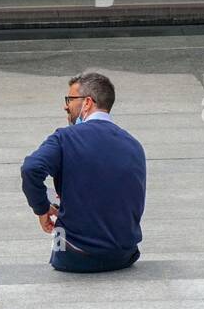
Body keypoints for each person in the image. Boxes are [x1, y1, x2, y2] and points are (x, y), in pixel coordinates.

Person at [20, 72, 146, 273]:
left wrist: (42, 208)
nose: (65, 106)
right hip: (124, 256)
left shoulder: (64, 138)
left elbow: (31, 168)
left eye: (70, 99)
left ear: (87, 103)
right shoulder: (134, 145)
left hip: (75, 257)